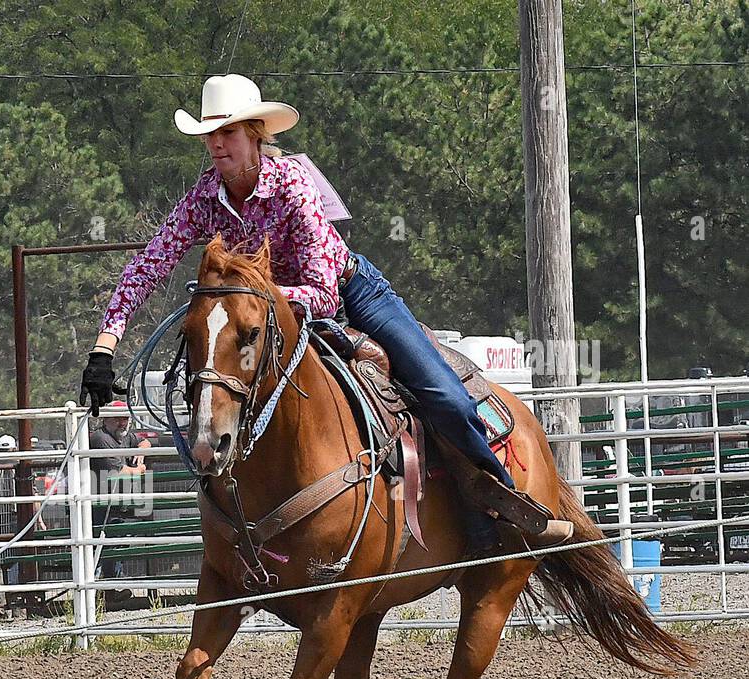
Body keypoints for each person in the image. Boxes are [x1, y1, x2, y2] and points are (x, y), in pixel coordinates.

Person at [77, 74, 571, 551]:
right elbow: (147, 266)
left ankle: (501, 501)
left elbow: (324, 291)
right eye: (210, 134)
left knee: (443, 393)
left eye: (227, 132)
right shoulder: (205, 198)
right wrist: (105, 347)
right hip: (265, 319)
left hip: (352, 293)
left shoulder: (291, 182)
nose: (216, 144)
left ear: (254, 135)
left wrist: (265, 300)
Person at [89, 401, 147, 603]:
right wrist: (138, 470)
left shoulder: (124, 437)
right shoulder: (100, 439)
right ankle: (94, 590)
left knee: (116, 543)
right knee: (99, 545)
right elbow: (116, 471)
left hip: (116, 503)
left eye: (125, 418)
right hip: (98, 503)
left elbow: (144, 441)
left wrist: (141, 451)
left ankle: (110, 588)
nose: (123, 423)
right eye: (118, 418)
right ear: (106, 419)